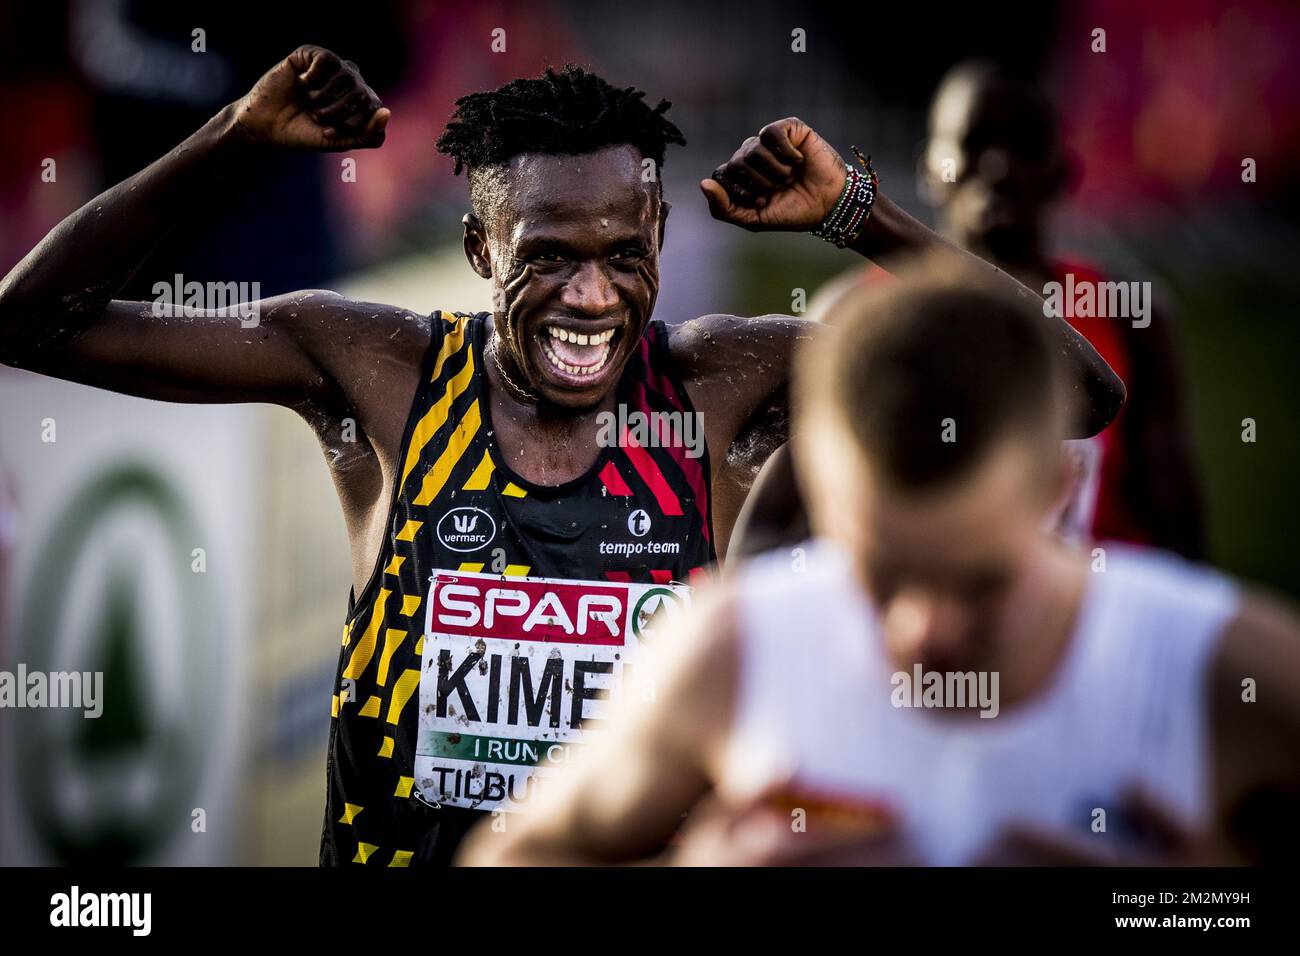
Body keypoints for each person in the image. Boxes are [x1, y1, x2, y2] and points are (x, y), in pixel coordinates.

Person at [0, 47, 1122, 866]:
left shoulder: (720, 384)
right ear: (478, 246)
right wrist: (233, 139)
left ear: (660, 244)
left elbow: (1073, 391)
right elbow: (30, 322)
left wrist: (858, 215)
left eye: (623, 254)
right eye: (547, 256)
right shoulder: (379, 370)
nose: (592, 298)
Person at [458, 263, 1299, 866]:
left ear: (1060, 485)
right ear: (820, 490)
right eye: (880, 572)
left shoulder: (1221, 672)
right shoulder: (732, 647)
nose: (921, 628)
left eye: (981, 580)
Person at [731, 60, 1203, 562]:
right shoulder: (853, 315)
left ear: (1063, 172)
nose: (998, 167)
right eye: (974, 143)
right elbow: (775, 530)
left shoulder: (1126, 312)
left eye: (1024, 144)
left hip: (1080, 627)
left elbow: (1173, 520)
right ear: (928, 166)